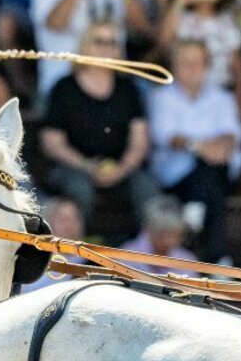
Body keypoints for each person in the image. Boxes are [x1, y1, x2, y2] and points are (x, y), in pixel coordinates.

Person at [37, 19, 159, 228]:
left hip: (121, 167)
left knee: (148, 188)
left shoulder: (127, 90)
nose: (106, 48)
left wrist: (121, 168)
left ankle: (140, 253)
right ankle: (76, 255)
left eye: (112, 43)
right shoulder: (64, 88)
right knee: (79, 189)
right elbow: (52, 142)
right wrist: (87, 165)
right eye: (99, 42)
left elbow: (140, 142)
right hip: (74, 166)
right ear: (85, 46)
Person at [144, 38, 241, 257]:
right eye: (185, 63)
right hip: (178, 175)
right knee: (210, 183)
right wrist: (199, 147)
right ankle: (217, 259)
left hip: (219, 167)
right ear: (174, 66)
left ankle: (194, 216)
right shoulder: (161, 97)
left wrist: (219, 148)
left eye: (197, 63)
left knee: (209, 173)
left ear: (207, 65)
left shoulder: (222, 97)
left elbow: (233, 132)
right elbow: (165, 135)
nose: (192, 69)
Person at [157, 0, 241, 104]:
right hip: (183, 91)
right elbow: (163, 41)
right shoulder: (181, 18)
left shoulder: (227, 21)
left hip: (219, 90)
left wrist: (240, 96)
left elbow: (237, 65)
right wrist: (179, 0)